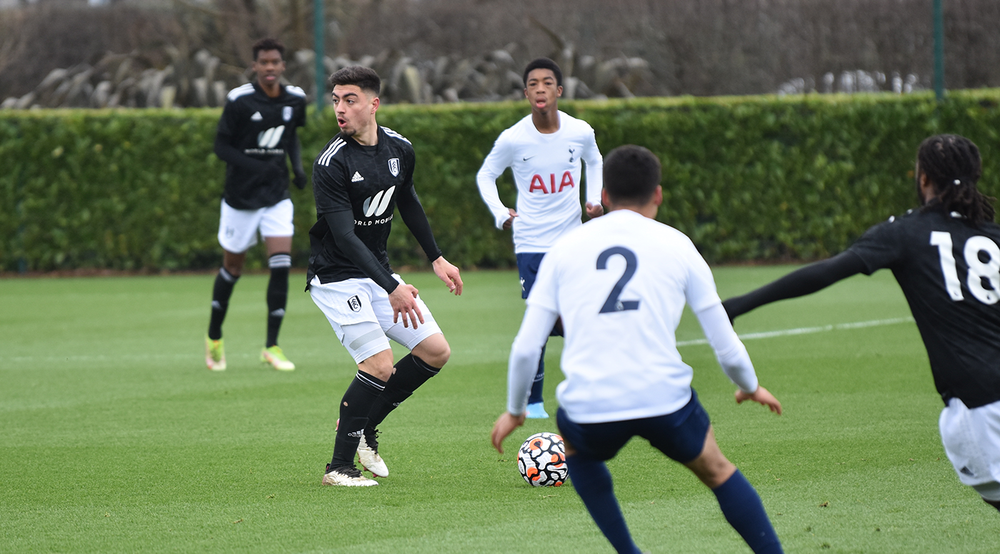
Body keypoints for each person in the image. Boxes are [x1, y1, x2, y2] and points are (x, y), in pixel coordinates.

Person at [491, 145, 785, 553]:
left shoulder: (565, 249)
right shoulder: (679, 244)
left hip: (592, 402)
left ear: (605, 196)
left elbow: (526, 347)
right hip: (664, 397)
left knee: (576, 449)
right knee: (717, 470)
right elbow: (725, 340)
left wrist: (516, 410)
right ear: (658, 195)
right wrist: (750, 385)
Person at [723, 133, 1000, 514]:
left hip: (980, 414)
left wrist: (738, 304)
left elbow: (825, 272)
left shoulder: (905, 232)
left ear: (922, 179)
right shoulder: (994, 236)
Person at [308, 66, 463, 487]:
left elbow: (407, 199)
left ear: (373, 104)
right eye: (336, 99)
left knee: (435, 351)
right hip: (337, 277)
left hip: (378, 273)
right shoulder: (331, 163)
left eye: (350, 99)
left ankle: (364, 430)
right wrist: (392, 286)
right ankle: (338, 468)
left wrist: (436, 257)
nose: (340, 108)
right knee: (379, 365)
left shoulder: (399, 148)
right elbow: (344, 235)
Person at [476, 57, 604, 419]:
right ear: (526, 93)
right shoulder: (514, 139)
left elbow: (595, 162)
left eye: (547, 82)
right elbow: (486, 175)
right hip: (531, 244)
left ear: (559, 91)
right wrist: (502, 213)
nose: (540, 89)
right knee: (542, 321)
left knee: (578, 318)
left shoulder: (580, 131)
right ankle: (532, 403)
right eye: (533, 84)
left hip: (573, 242)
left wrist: (593, 198)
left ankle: (588, 391)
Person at [204, 37, 308, 372]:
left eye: (275, 62)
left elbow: (291, 136)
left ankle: (272, 346)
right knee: (233, 268)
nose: (269, 68)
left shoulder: (295, 99)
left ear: (283, 66)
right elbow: (221, 147)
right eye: (263, 62)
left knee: (280, 265)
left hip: (276, 197)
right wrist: (255, 166)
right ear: (254, 66)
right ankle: (214, 337)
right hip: (240, 199)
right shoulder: (239, 100)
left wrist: (299, 169)